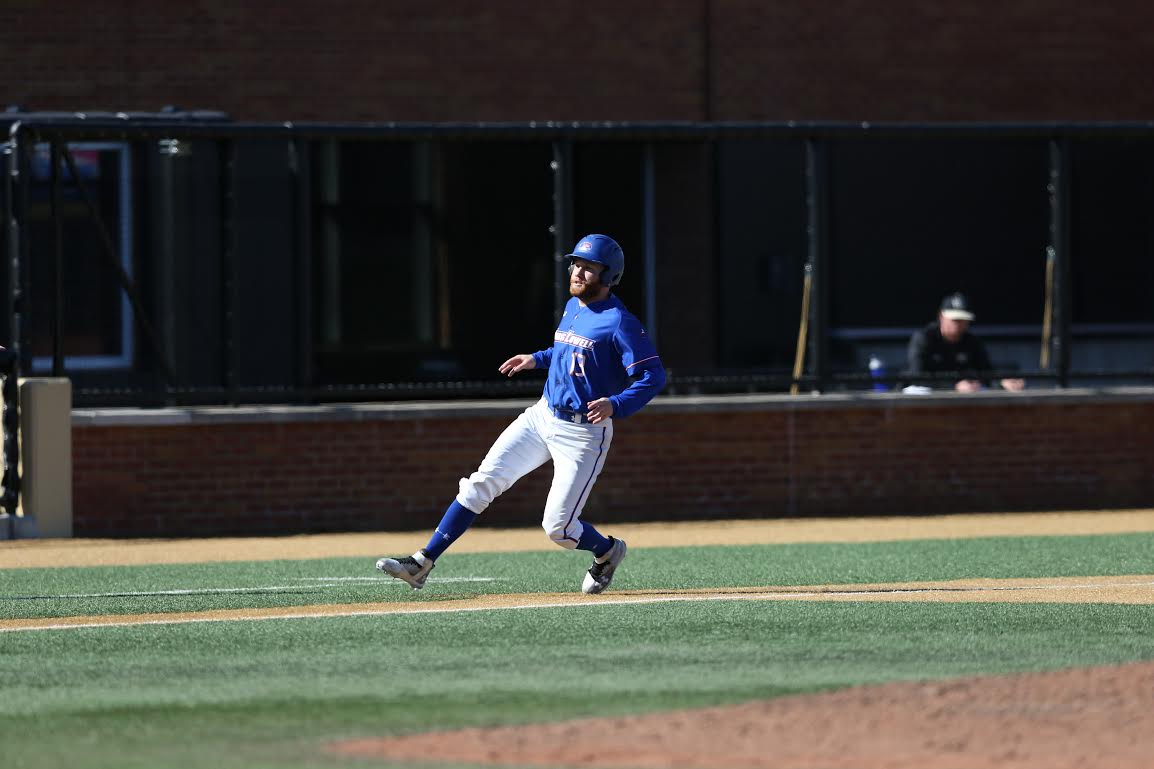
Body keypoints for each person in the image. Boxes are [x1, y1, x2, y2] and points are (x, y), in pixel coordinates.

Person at [375, 234, 666, 594]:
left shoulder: (619, 321)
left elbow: (654, 376)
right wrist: (537, 358)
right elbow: (568, 351)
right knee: (482, 482)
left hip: (582, 433)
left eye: (589, 268)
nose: (577, 272)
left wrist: (617, 404)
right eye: (576, 264)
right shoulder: (574, 306)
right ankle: (422, 562)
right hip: (542, 415)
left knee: (557, 529)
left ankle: (607, 551)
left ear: (609, 277)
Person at [904, 292, 1026, 393]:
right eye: (955, 319)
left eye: (963, 320)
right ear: (941, 316)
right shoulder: (924, 338)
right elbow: (917, 377)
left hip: (962, 396)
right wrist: (953, 386)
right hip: (927, 393)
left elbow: (986, 373)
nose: (958, 324)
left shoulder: (972, 341)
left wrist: (1002, 382)